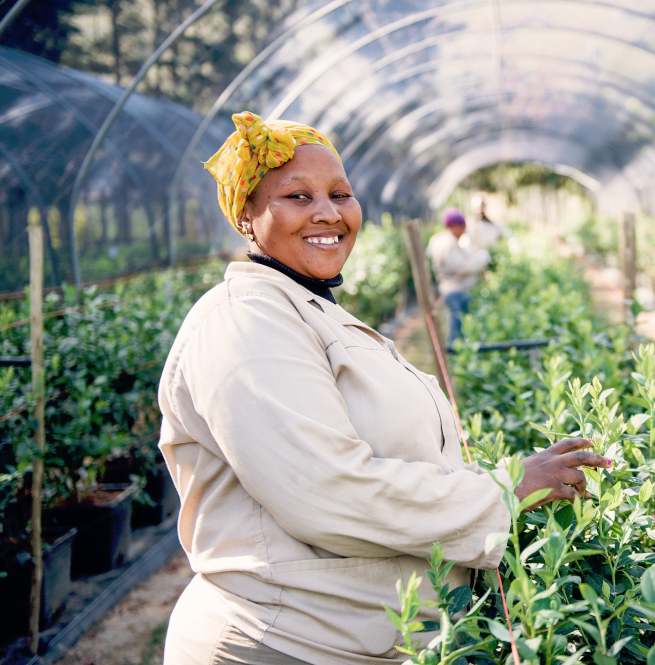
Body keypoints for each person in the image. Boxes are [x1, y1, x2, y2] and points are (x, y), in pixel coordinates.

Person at [159, 111, 611, 665]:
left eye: (340, 193)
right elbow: (328, 492)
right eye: (297, 196)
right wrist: (503, 491)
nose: (328, 212)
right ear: (247, 216)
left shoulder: (310, 309)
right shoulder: (245, 321)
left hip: (358, 641)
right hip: (282, 643)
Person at [426, 208, 490, 345]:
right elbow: (460, 267)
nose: (463, 231)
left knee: (459, 322)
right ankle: (456, 351)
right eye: (462, 227)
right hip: (454, 290)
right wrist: (480, 262)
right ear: (454, 226)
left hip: (455, 289)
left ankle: (458, 350)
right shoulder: (447, 243)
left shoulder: (448, 241)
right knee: (457, 324)